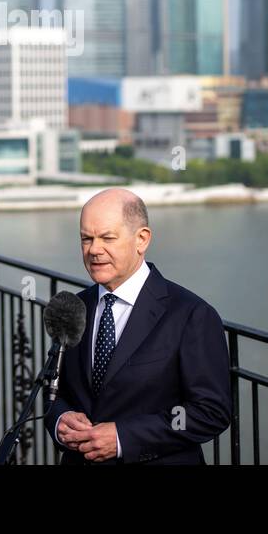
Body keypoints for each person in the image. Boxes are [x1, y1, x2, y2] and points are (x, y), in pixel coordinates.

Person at [44, 187, 232, 464]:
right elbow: (53, 390)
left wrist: (123, 438)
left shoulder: (192, 314)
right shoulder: (72, 308)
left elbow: (211, 412)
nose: (94, 250)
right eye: (86, 239)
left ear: (141, 239)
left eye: (107, 238)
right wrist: (60, 421)